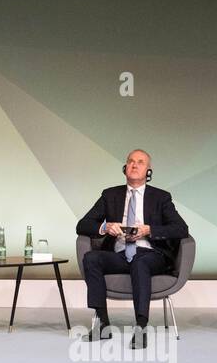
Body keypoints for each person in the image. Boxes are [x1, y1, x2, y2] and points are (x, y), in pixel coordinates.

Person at [75, 149, 189, 349]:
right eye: (131, 161)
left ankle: (141, 327)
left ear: (148, 171)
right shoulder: (110, 195)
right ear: (125, 168)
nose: (135, 165)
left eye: (141, 162)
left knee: (140, 261)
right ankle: (102, 323)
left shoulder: (161, 197)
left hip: (151, 255)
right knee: (91, 258)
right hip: (119, 253)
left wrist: (149, 230)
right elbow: (82, 225)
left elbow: (181, 229)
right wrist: (105, 227)